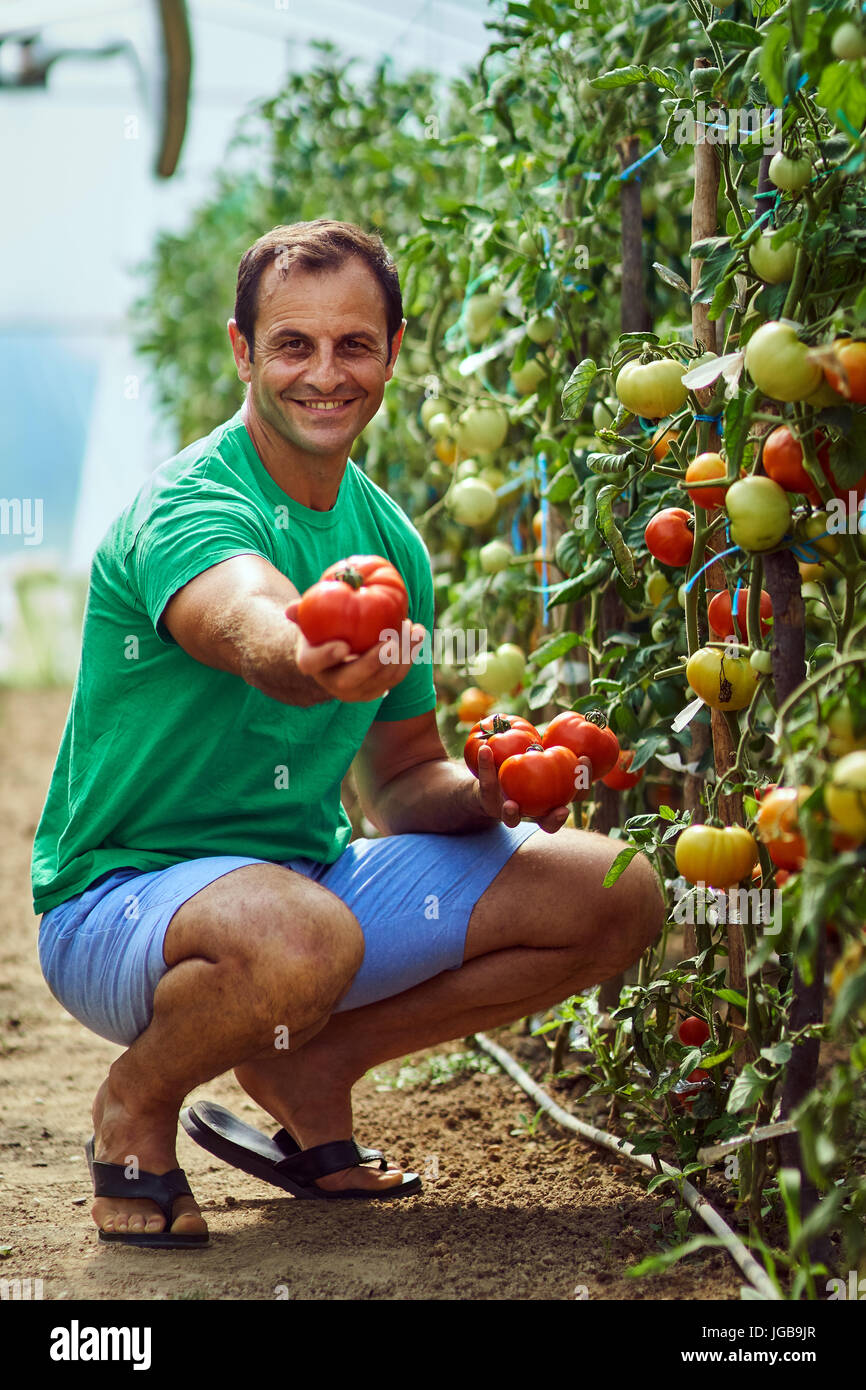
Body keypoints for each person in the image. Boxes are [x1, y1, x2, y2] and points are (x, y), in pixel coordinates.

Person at [31, 219, 664, 1247]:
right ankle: (135, 1103)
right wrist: (310, 657)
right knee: (299, 936)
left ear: (393, 350)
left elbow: (402, 776)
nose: (324, 374)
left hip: (298, 888)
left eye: (352, 345)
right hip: (119, 904)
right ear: (242, 352)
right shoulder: (188, 507)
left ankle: (309, 1062)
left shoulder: (390, 540)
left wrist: (492, 792)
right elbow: (248, 621)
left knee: (613, 888)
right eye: (292, 345)